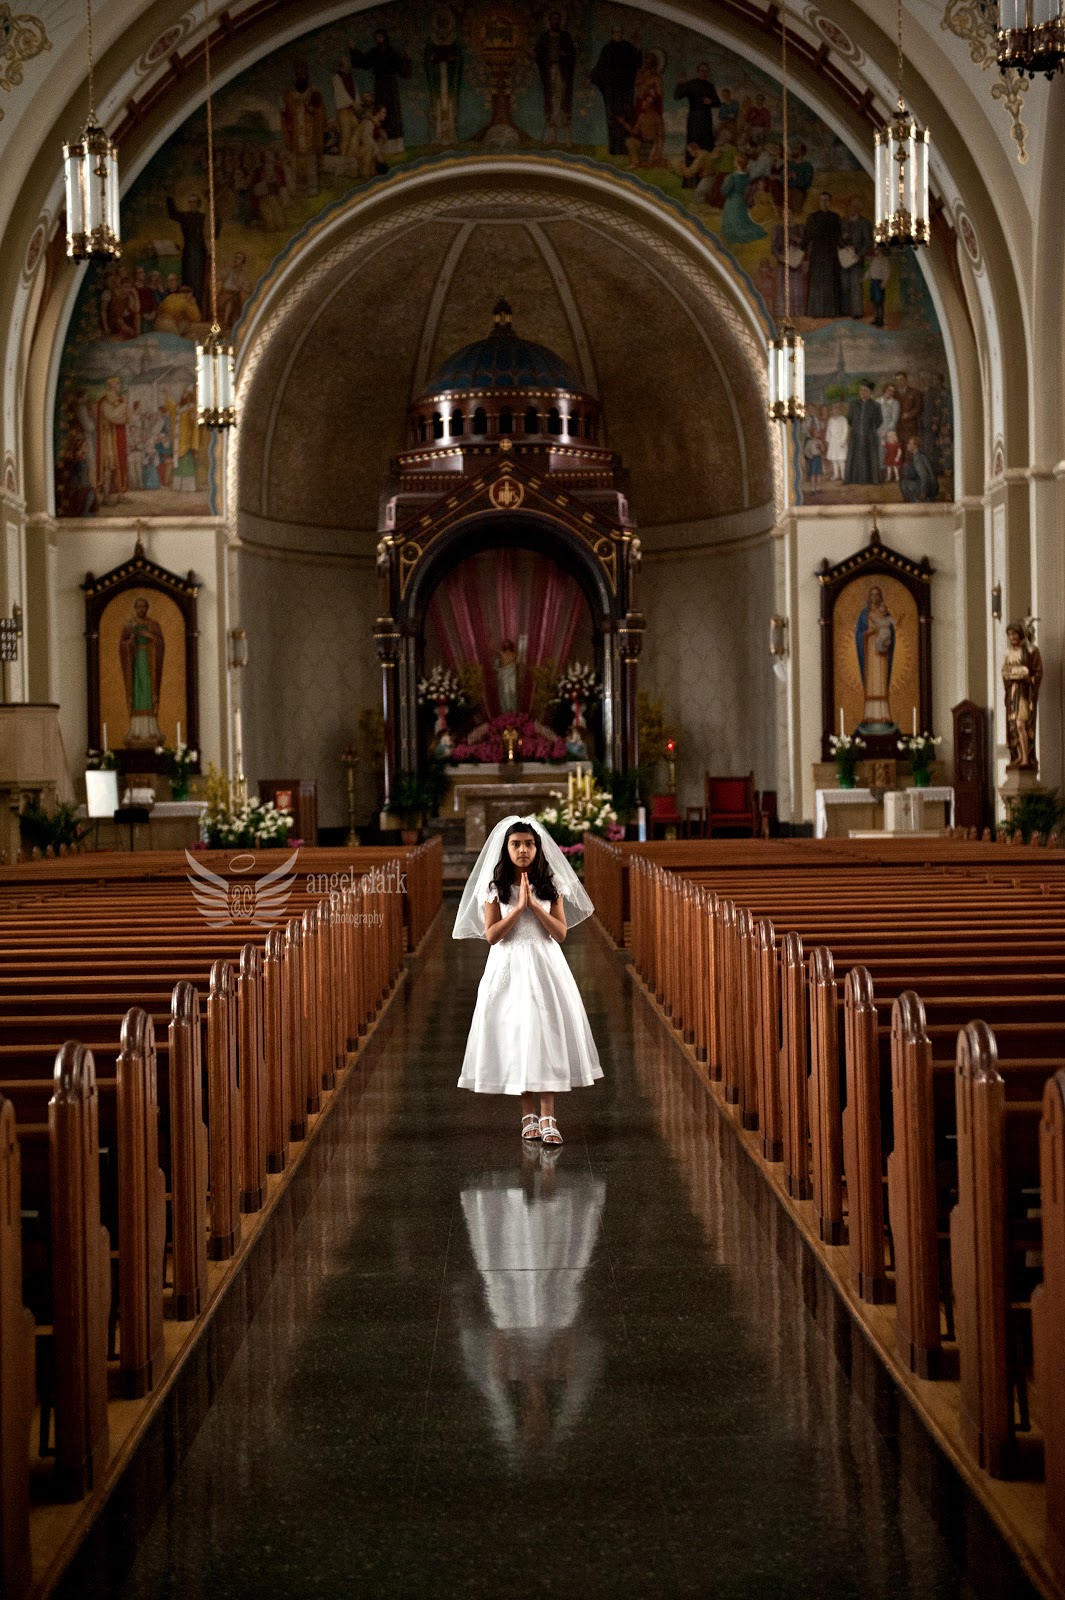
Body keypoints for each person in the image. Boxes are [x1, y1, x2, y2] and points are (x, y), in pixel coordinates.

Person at [454, 816, 603, 1145]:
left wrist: (535, 906)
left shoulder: (550, 884)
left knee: (545, 1034)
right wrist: (517, 909)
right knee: (519, 1038)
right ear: (506, 849)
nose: (523, 850)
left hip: (544, 965)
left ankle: (549, 1115)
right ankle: (528, 1115)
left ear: (538, 848)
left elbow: (561, 933)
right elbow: (492, 936)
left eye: (529, 844)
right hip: (509, 968)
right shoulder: (495, 888)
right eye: (516, 844)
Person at [350, 29, 411, 154]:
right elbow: (363, 62)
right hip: (380, 85)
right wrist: (354, 50)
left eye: (380, 36)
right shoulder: (374, 52)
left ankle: (395, 145)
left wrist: (406, 59)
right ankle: (383, 145)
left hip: (391, 86)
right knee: (380, 111)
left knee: (393, 112)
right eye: (376, 37)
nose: (378, 39)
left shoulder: (392, 52)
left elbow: (402, 69)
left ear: (384, 37)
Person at [590, 24, 642, 157]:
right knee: (613, 117)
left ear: (622, 33)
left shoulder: (628, 47)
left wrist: (638, 48)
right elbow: (600, 66)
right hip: (612, 91)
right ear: (612, 33)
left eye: (619, 32)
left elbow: (637, 63)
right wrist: (591, 77)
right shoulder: (607, 49)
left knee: (626, 116)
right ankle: (615, 149)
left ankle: (626, 149)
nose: (617, 34)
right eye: (615, 32)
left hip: (625, 90)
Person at [536, 11, 576, 145]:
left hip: (562, 71)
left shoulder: (565, 36)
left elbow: (572, 54)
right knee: (551, 101)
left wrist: (565, 54)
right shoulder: (545, 37)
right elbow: (539, 55)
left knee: (563, 101)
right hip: (549, 71)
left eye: (557, 19)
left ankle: (567, 139)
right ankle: (553, 137)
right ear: (549, 21)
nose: (555, 21)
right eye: (552, 19)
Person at [803, 191, 842, 317]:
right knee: (817, 283)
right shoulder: (812, 217)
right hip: (817, 255)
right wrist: (800, 248)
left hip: (831, 255)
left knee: (830, 283)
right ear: (819, 202)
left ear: (829, 202)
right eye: (822, 200)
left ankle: (831, 312)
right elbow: (807, 236)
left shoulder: (835, 217)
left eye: (826, 200)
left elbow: (839, 237)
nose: (824, 202)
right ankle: (816, 312)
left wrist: (844, 241)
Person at [674, 61, 720, 152]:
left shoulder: (710, 86)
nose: (704, 73)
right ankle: (692, 164)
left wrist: (710, 101)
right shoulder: (691, 84)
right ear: (698, 72)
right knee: (693, 142)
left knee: (707, 142)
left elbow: (718, 103)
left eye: (706, 71)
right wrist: (679, 84)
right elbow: (677, 96)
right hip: (694, 118)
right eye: (702, 70)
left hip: (706, 118)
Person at [719, 154, 765, 243]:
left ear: (737, 163)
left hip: (732, 200)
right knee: (741, 218)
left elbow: (724, 191)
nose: (733, 163)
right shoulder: (747, 176)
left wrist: (725, 182)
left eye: (735, 161)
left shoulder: (732, 177)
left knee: (732, 221)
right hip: (741, 200)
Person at [840, 198, 873, 319]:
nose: (852, 209)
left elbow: (868, 241)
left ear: (859, 208)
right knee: (844, 284)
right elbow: (837, 238)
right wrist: (843, 238)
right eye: (850, 206)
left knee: (855, 285)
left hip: (857, 258)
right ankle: (845, 310)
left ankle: (857, 312)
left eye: (855, 206)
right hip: (844, 257)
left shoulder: (864, 223)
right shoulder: (843, 221)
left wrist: (860, 254)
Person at [844, 380, 882, 485]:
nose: (863, 393)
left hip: (870, 436)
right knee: (855, 457)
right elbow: (849, 419)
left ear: (870, 392)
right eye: (861, 390)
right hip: (856, 435)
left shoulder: (876, 405)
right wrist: (858, 428)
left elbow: (879, 421)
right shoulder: (853, 404)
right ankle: (852, 479)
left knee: (870, 457)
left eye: (865, 390)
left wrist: (869, 430)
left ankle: (872, 480)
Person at [900, 434, 939, 502]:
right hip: (932, 487)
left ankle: (917, 501)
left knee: (904, 483)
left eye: (909, 443)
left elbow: (924, 476)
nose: (907, 445)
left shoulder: (918, 458)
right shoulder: (920, 455)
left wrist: (923, 493)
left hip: (929, 489)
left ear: (915, 446)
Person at [825, 402, 849, 481]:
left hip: (840, 442)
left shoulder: (843, 419)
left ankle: (843, 475)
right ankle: (836, 475)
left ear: (840, 410)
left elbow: (845, 430)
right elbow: (828, 430)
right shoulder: (831, 420)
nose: (836, 411)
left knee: (841, 459)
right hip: (833, 442)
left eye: (837, 409)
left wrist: (843, 440)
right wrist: (828, 440)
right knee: (834, 459)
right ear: (832, 411)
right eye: (834, 410)